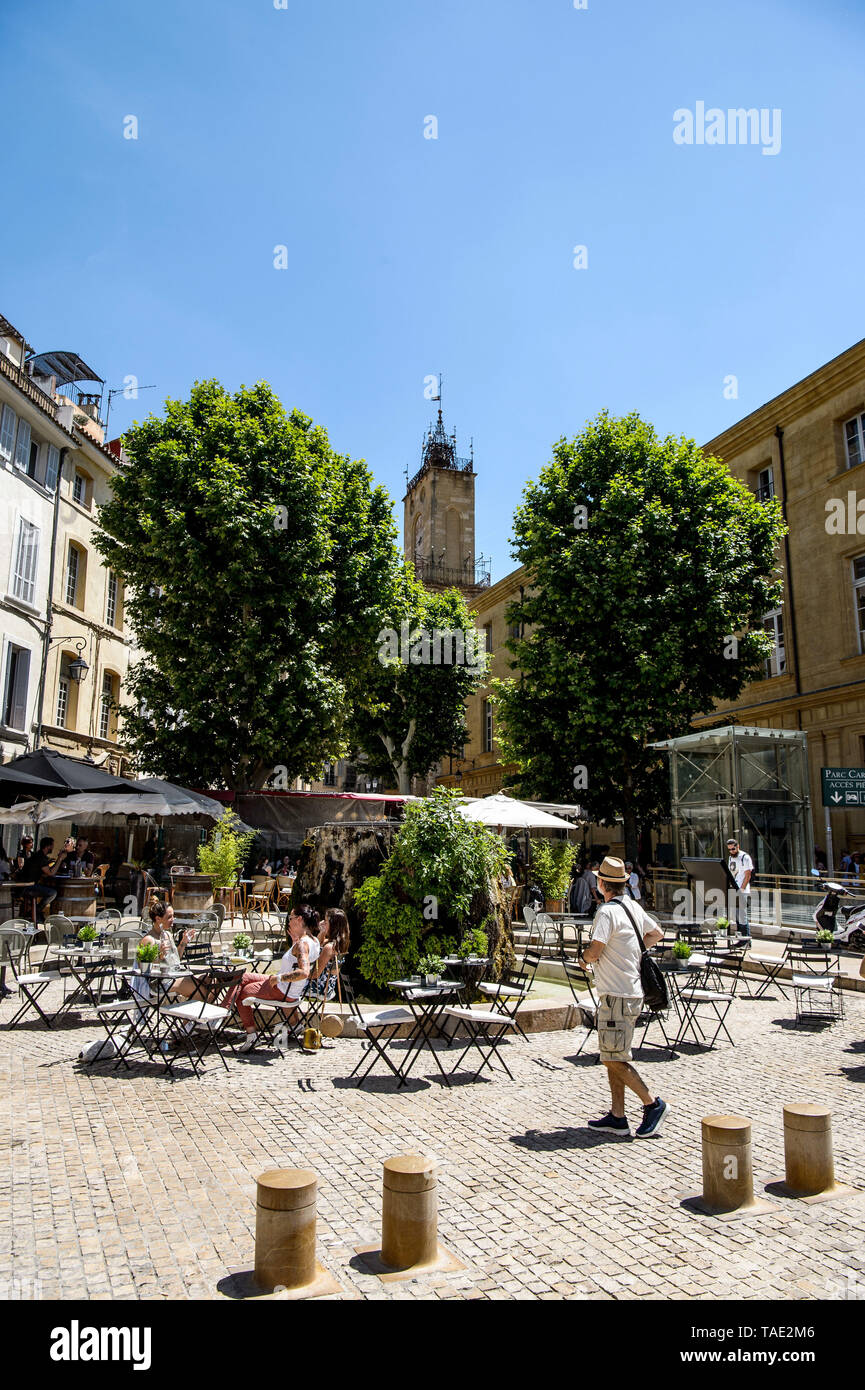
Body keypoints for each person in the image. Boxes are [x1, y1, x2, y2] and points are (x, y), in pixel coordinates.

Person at [580, 856, 669, 1138]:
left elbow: (595, 950)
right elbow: (657, 933)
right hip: (629, 991)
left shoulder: (606, 912)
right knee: (612, 1053)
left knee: (612, 1058)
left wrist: (584, 960)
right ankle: (617, 1116)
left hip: (617, 994)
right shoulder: (632, 906)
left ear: (602, 883)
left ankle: (652, 1103)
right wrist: (631, 950)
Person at [232, 904, 321, 1051]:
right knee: (242, 976)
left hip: (282, 990)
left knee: (242, 992)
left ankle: (251, 1035)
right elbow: (297, 961)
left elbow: (304, 972)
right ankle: (224, 1008)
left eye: (290, 918)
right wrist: (294, 942)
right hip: (292, 990)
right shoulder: (313, 941)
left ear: (299, 919)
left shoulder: (302, 944)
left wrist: (279, 978)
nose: (289, 921)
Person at [137, 902, 199, 1000]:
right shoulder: (148, 940)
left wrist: (183, 942)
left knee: (210, 981)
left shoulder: (167, 935)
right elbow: (144, 971)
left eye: (173, 916)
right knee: (202, 991)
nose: (173, 919)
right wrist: (159, 956)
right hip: (160, 983)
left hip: (174, 976)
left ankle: (192, 1012)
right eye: (169, 917)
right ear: (158, 919)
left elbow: (175, 959)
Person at [307, 907, 350, 1000]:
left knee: (287, 985)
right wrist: (322, 931)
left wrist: (298, 974)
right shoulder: (339, 944)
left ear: (333, 925)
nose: (322, 922)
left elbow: (315, 974)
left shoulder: (329, 948)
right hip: (328, 987)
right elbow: (316, 946)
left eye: (325, 921)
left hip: (319, 988)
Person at [17, 837, 59, 919]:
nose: (53, 848)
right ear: (48, 846)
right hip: (27, 887)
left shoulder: (38, 855)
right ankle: (36, 911)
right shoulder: (40, 857)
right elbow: (51, 873)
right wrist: (60, 859)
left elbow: (44, 872)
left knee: (48, 889)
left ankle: (35, 911)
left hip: (26, 885)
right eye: (52, 846)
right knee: (52, 893)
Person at [726, 835, 753, 940]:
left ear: (738, 846)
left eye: (733, 849)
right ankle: (741, 939)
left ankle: (745, 940)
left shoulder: (744, 857)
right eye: (729, 850)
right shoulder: (730, 858)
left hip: (742, 890)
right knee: (737, 916)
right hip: (734, 889)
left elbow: (748, 875)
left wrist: (742, 888)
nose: (732, 851)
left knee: (742, 916)